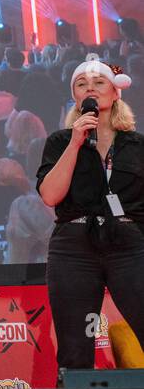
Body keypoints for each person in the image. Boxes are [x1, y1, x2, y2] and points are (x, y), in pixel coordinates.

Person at [36, 57, 144, 371]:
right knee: (75, 350)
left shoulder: (137, 145)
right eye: (82, 84)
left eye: (98, 82)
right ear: (75, 97)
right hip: (74, 247)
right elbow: (50, 195)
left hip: (129, 244)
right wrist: (75, 143)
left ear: (115, 92)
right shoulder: (60, 141)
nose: (90, 89)